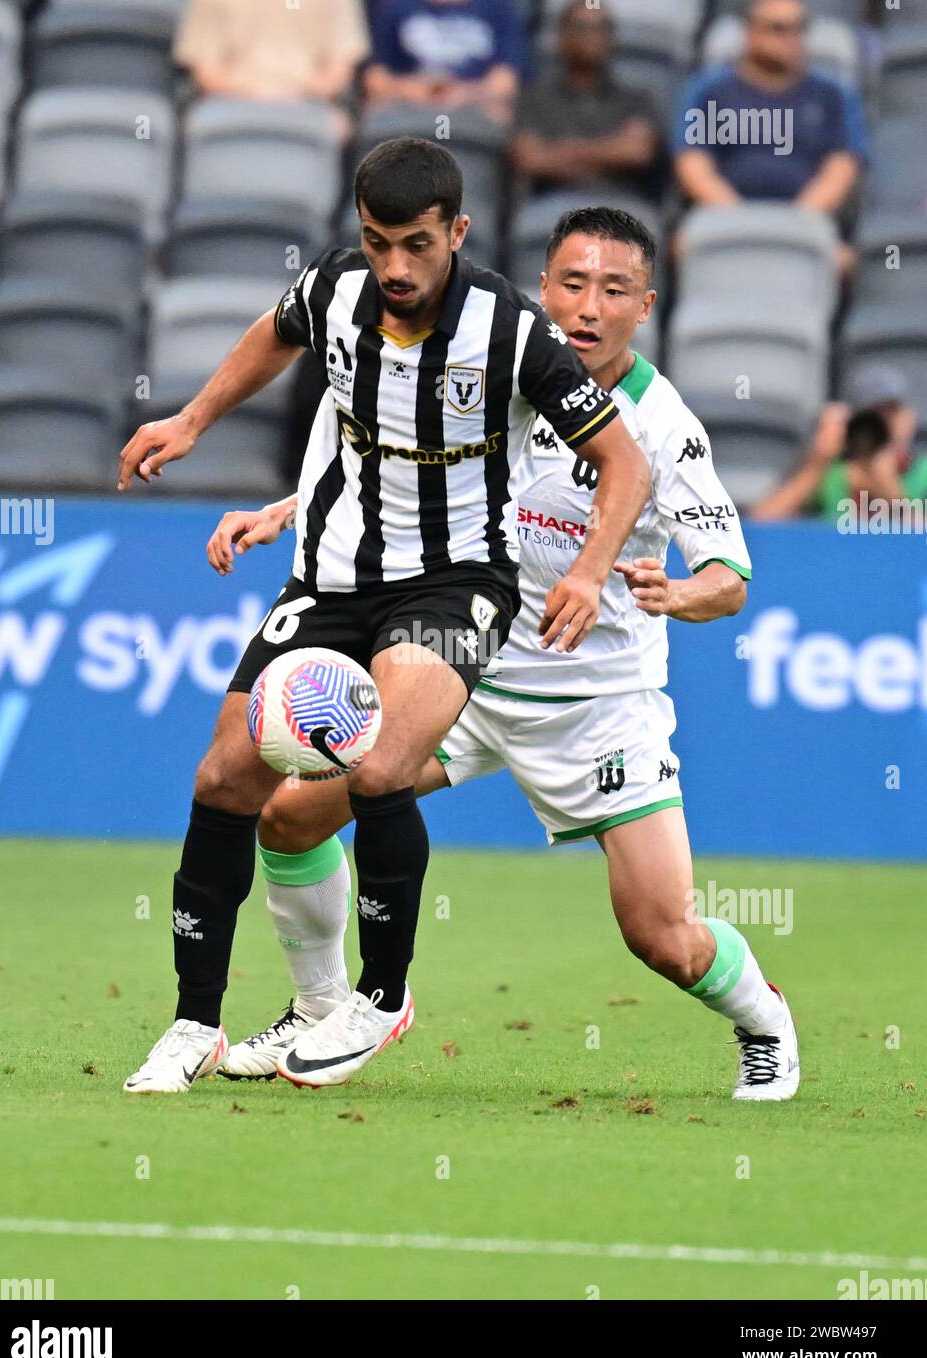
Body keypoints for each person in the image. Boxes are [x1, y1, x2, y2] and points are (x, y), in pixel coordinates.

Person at [214, 206, 799, 1101]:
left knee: (661, 934)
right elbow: (392, 469)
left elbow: (730, 577)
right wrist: (287, 512)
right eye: (570, 283)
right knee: (289, 819)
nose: (587, 306)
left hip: (596, 706)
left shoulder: (662, 426)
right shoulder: (495, 372)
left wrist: (676, 594)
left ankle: (765, 1018)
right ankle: (328, 1005)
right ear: (542, 289)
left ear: (644, 306)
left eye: (612, 290)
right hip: (464, 670)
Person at [117, 141, 652, 1094]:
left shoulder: (511, 330)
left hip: (456, 583)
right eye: (377, 244)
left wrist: (588, 568)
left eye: (415, 245)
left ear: (458, 231)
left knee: (379, 766)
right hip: (328, 579)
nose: (395, 268)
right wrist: (193, 420)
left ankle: (381, 994)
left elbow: (626, 462)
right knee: (225, 778)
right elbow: (274, 335)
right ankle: (195, 1022)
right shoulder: (334, 287)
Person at [673, 0, 866, 268]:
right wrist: (741, 221)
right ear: (750, 31)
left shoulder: (832, 94)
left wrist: (794, 223)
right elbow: (693, 165)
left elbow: (841, 168)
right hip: (723, 216)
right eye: (779, 29)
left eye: (799, 28)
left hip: (807, 219)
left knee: (841, 259)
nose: (792, 38)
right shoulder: (709, 90)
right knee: (683, 244)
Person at [512, 1, 662, 205]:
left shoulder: (636, 98)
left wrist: (565, 149)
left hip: (620, 202)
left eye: (601, 29)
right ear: (561, 39)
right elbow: (530, 159)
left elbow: (637, 152)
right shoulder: (534, 98)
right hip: (553, 202)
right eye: (583, 28)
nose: (593, 36)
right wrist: (609, 154)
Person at [753, 365, 927, 521]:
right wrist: (816, 462)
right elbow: (761, 525)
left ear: (908, 419)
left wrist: (891, 493)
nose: (881, 426)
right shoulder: (829, 475)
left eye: (890, 414)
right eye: (872, 417)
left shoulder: (922, 474)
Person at [174, 0, 370, 105]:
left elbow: (339, 72)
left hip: (310, 103)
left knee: (336, 126)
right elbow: (206, 73)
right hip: (230, 101)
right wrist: (258, 94)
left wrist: (294, 95)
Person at [363, 0, 528, 123]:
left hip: (473, 109)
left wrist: (464, 93)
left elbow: (506, 82)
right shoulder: (395, 6)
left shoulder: (497, 7)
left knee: (500, 116)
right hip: (407, 107)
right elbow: (375, 78)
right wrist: (410, 90)